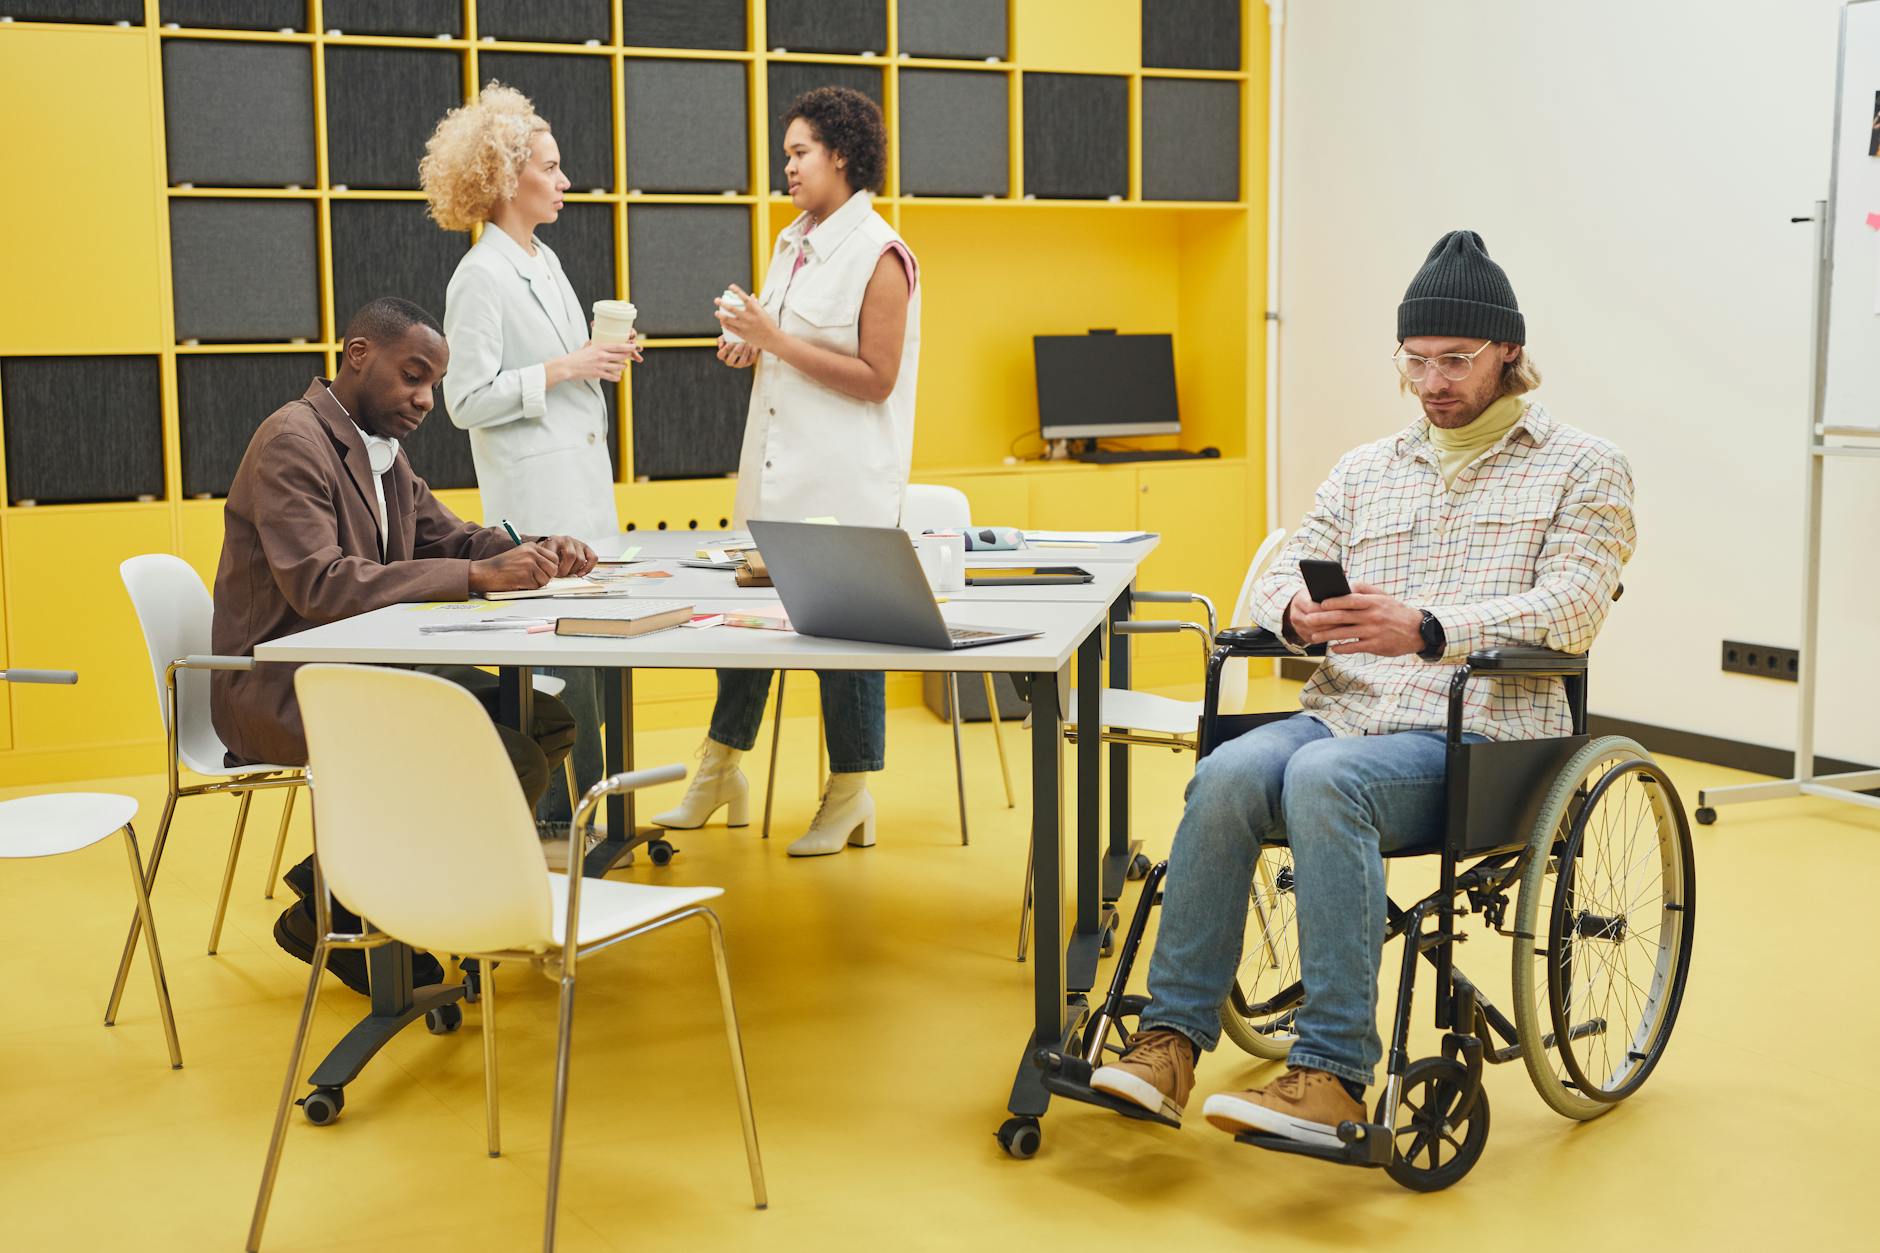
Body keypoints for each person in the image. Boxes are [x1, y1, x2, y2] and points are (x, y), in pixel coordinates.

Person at [1086, 232, 1637, 1144]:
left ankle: (1335, 1071)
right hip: (1344, 713)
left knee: (1323, 780)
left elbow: (1573, 607)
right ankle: (1171, 1041)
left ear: (1509, 351)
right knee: (1225, 772)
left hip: (1483, 738)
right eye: (1414, 362)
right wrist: (1298, 615)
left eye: (1455, 361)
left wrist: (1430, 629)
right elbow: (1273, 577)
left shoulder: (1583, 465)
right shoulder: (1364, 469)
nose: (1432, 382)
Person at [212, 296, 596, 993]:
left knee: (545, 722)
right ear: (360, 355)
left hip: (362, 673)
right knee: (501, 752)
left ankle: (332, 886)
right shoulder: (291, 441)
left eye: (433, 386)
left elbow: (449, 538)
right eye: (412, 377)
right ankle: (361, 911)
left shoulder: (383, 452)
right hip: (285, 686)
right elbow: (320, 584)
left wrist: (535, 549)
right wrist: (479, 574)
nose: (423, 400)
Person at [654, 85, 921, 858]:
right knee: (751, 633)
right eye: (787, 155)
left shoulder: (883, 255)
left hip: (844, 484)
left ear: (841, 154)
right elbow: (784, 348)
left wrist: (772, 336)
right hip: (776, 475)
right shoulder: (791, 240)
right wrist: (749, 342)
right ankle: (720, 770)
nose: (789, 167)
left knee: (843, 646)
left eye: (800, 152)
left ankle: (849, 794)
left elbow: (875, 376)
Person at [421, 83, 640, 851]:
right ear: (511, 179)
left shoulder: (543, 262)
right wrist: (565, 366)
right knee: (566, 668)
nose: (565, 179)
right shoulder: (478, 277)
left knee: (596, 661)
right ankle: (558, 823)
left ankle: (595, 817)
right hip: (538, 491)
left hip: (581, 485)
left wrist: (595, 361)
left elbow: (560, 364)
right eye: (552, 167)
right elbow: (463, 398)